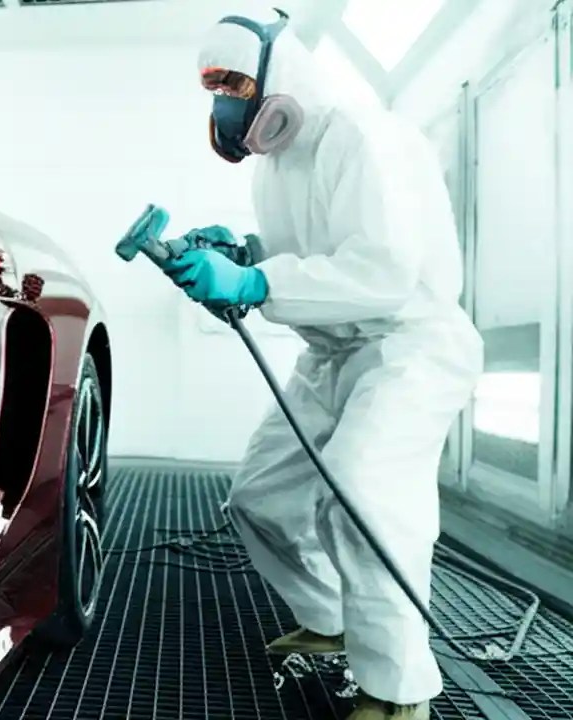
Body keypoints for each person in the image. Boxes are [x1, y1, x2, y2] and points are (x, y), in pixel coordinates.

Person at [160, 10, 483, 720]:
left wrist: (255, 283)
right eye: (215, 87)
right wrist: (246, 252)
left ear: (282, 74)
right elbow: (312, 246)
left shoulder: (365, 135)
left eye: (235, 83)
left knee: (364, 499)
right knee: (260, 499)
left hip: (408, 347)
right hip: (331, 353)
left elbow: (383, 272)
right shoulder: (275, 164)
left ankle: (399, 692)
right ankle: (332, 619)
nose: (226, 102)